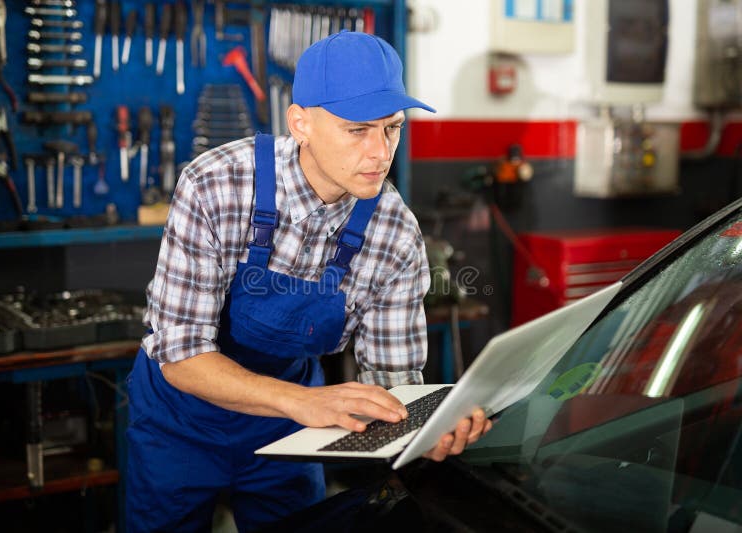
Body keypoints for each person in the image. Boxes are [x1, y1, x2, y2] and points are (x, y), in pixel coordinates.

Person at [125, 30, 492, 533]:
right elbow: (182, 355)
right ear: (300, 123)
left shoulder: (394, 230)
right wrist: (305, 403)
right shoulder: (215, 185)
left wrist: (426, 427)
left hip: (293, 425)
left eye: (392, 128)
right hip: (179, 422)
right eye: (357, 130)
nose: (380, 153)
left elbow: (393, 381)